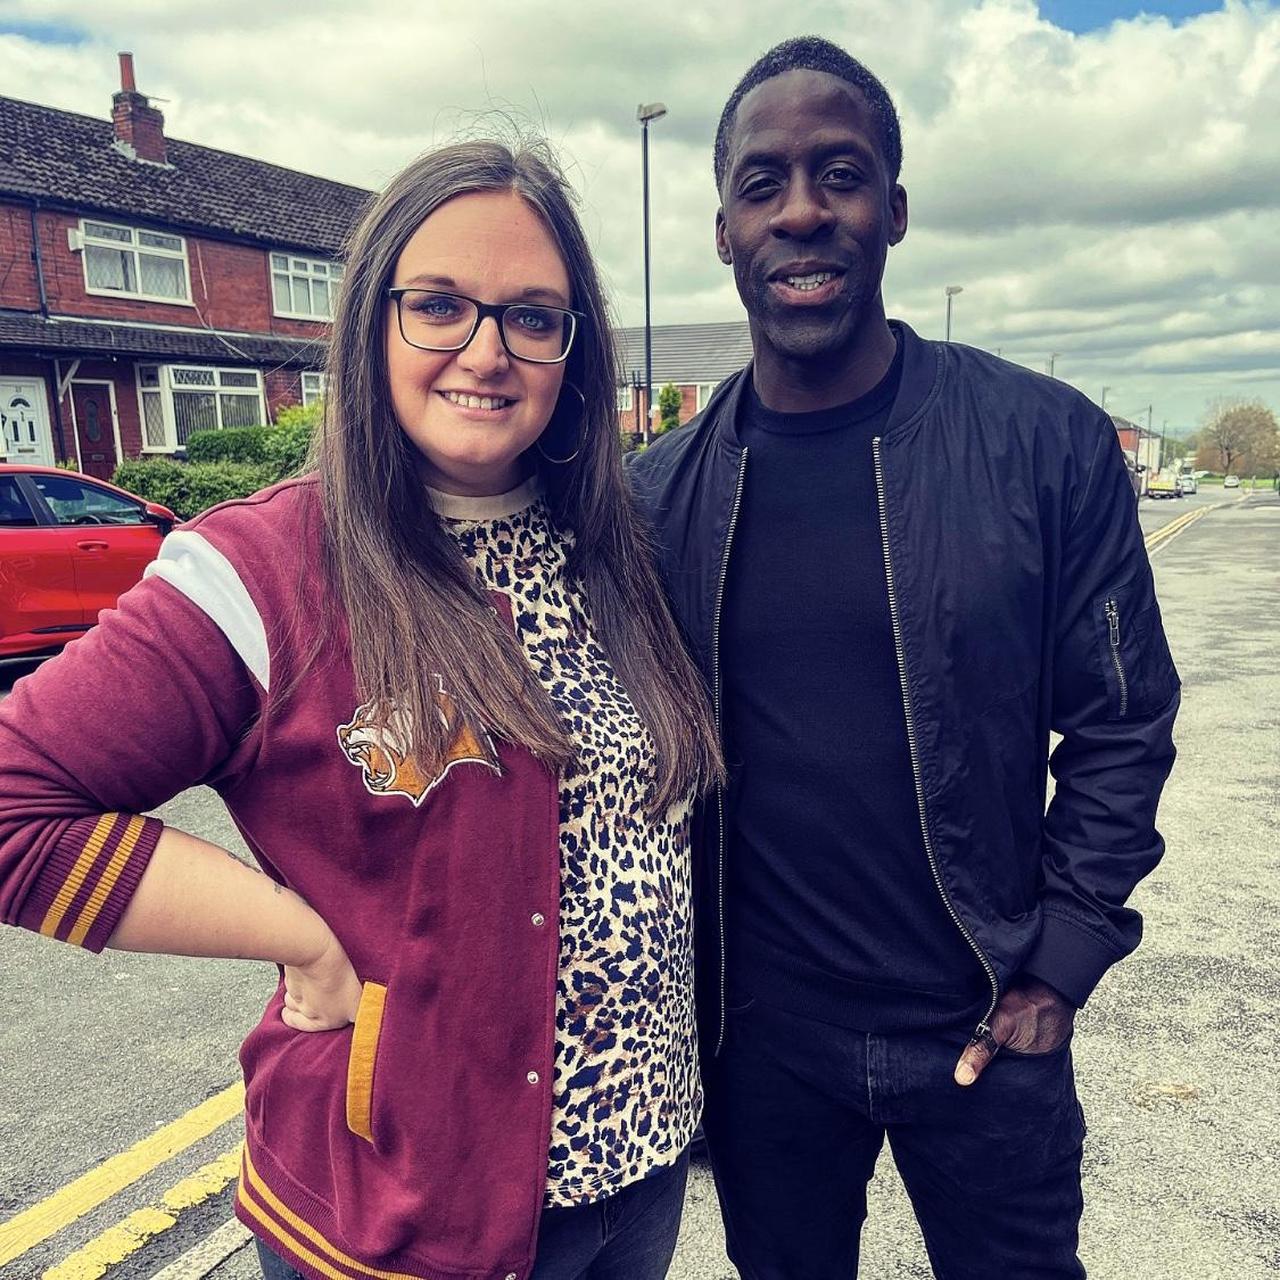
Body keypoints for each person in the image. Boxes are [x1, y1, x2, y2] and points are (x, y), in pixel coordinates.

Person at [0, 139, 722, 1280]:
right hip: (400, 1218)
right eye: (439, 304)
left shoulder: (616, 548)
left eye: (533, 316)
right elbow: (14, 799)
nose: (487, 351)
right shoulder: (265, 565)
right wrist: (291, 934)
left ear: (572, 348)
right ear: (371, 320)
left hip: (637, 1178)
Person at [627, 36, 1179, 1280]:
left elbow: (1122, 720)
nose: (804, 209)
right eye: (762, 183)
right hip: (762, 1045)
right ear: (723, 229)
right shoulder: (656, 494)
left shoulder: (1041, 446)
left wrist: (1060, 961)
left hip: (983, 1027)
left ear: (895, 210)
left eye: (841, 173)